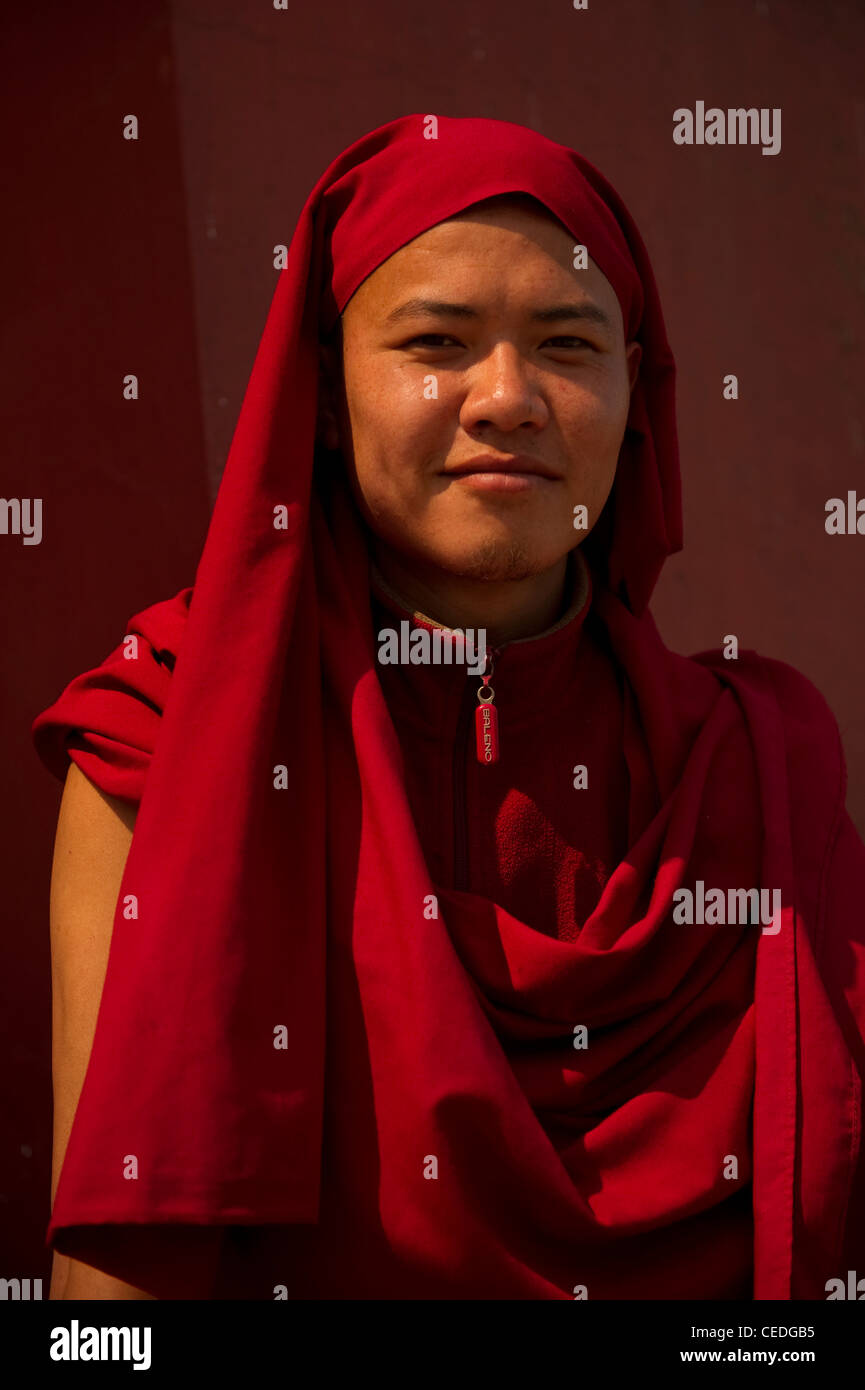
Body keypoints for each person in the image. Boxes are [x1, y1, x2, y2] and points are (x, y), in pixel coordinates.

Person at [32, 112, 865, 1301]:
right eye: (436, 341)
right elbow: (110, 1290)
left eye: (570, 347)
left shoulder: (750, 772)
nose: (508, 400)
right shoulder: (164, 737)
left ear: (638, 400)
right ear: (324, 397)